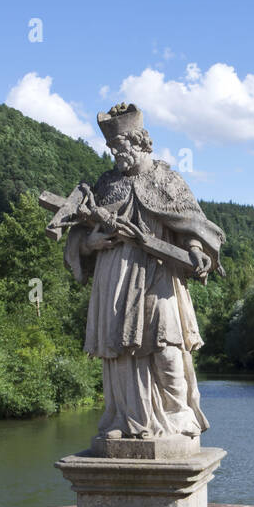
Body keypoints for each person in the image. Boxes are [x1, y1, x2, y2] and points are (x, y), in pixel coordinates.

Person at [62, 103, 224, 440]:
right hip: (114, 277)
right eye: (112, 149)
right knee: (120, 349)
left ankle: (178, 415)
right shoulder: (106, 183)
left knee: (167, 345)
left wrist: (195, 250)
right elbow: (79, 232)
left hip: (159, 274)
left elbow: (191, 223)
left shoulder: (167, 178)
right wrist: (92, 243)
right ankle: (125, 419)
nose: (117, 155)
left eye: (122, 147)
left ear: (140, 142)